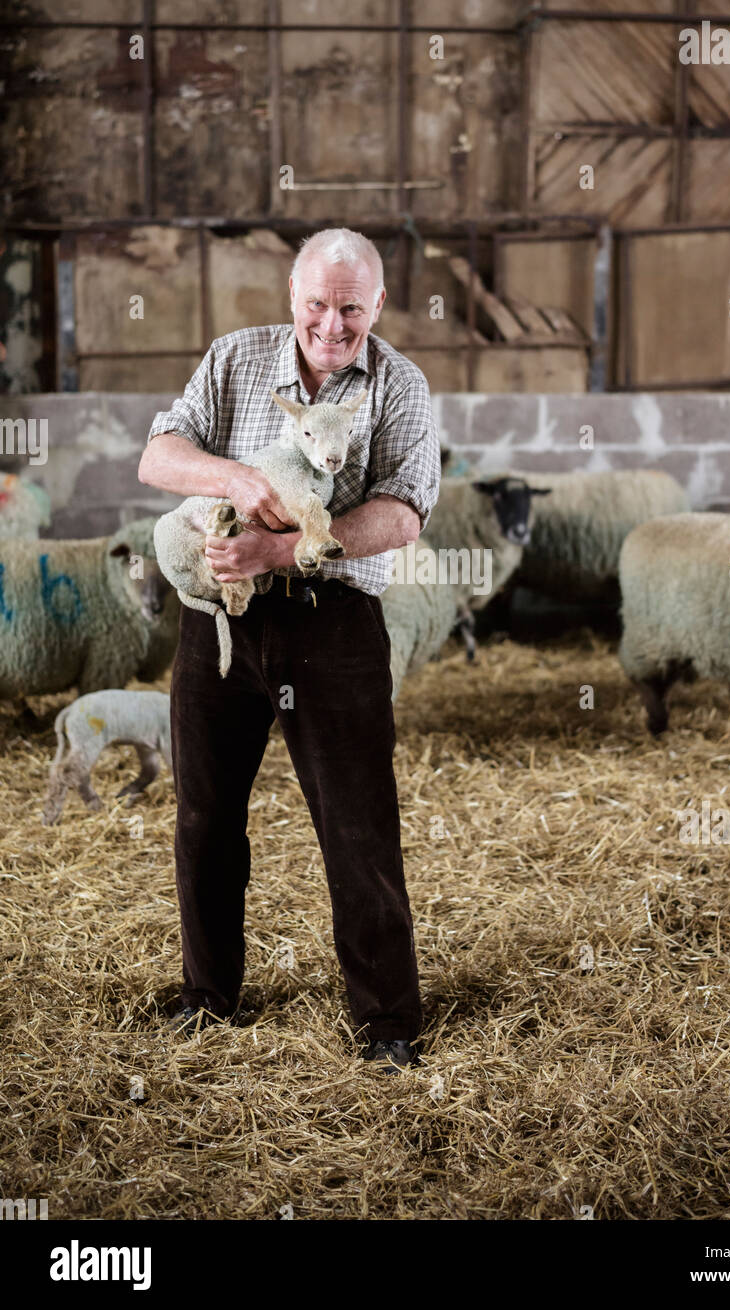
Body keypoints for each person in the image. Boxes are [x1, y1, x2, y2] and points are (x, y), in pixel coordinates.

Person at [138, 227, 441, 1075]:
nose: (332, 324)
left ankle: (386, 1023)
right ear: (292, 295)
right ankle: (209, 998)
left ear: (376, 304)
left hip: (331, 618)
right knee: (204, 815)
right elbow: (158, 455)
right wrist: (235, 481)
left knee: (356, 823)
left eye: (351, 307)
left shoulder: (400, 385)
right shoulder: (235, 358)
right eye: (317, 303)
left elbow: (405, 511)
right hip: (221, 618)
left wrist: (286, 549)